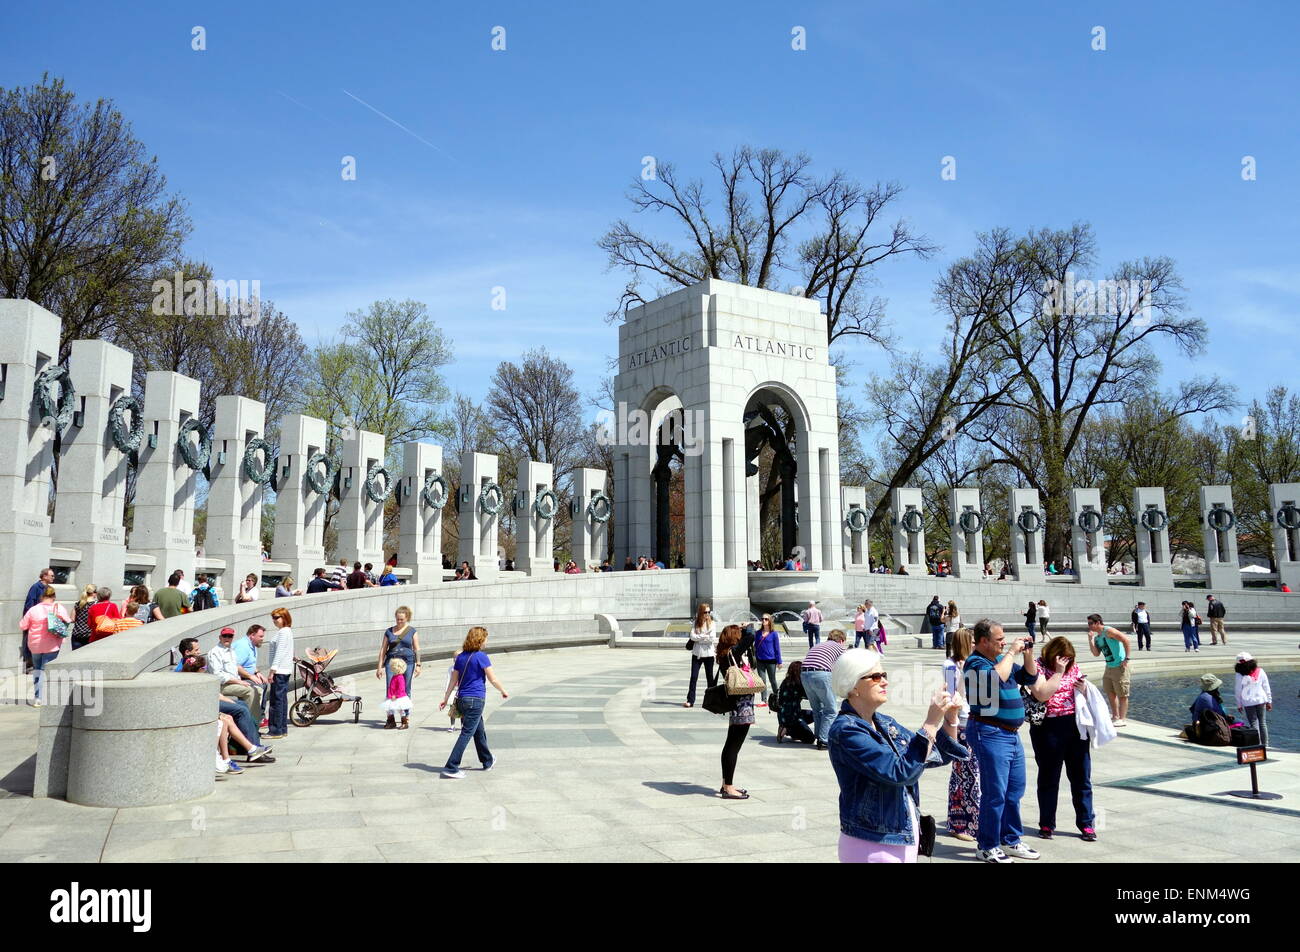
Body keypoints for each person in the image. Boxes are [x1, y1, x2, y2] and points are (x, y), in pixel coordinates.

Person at [829, 648, 966, 863]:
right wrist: (930, 722)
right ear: (853, 685)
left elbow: (934, 755)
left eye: (884, 675)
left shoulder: (884, 722)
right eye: (875, 677)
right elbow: (900, 772)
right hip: (871, 843)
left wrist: (950, 718)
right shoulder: (846, 731)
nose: (884, 681)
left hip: (900, 838)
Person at [961, 618, 1043, 863]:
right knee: (995, 793)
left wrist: (1028, 653)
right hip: (989, 731)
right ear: (984, 641)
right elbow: (993, 681)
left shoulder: (1000, 660)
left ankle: (1011, 840)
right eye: (999, 639)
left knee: (1014, 790)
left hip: (1010, 733)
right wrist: (1011, 652)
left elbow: (1029, 678)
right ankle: (987, 845)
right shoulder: (975, 662)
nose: (1004, 642)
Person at [1026, 636, 1096, 841]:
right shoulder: (1037, 666)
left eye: (1069, 658)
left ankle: (1086, 823)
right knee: (1049, 778)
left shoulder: (1072, 666)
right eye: (1062, 658)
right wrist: (1058, 672)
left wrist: (1084, 688)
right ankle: (1047, 824)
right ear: (1052, 655)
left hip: (1074, 727)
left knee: (1081, 777)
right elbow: (1042, 695)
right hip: (1047, 727)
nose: (1066, 661)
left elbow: (1080, 689)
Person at [440, 626, 508, 777]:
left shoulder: (461, 657)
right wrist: (503, 691)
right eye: (485, 638)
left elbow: (453, 680)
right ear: (480, 639)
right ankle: (451, 766)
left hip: (462, 700)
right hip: (475, 700)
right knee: (466, 733)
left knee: (479, 730)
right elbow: (493, 679)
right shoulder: (481, 656)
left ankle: (487, 760)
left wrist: (445, 698)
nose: (486, 642)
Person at [943, 627, 980, 842]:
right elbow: (951, 693)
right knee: (963, 773)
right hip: (962, 722)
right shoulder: (950, 665)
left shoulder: (975, 663)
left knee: (975, 774)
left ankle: (974, 821)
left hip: (977, 720)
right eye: (972, 641)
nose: (975, 644)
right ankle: (958, 824)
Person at [716, 623, 757, 800]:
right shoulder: (734, 652)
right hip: (742, 706)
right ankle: (729, 787)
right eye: (738, 633)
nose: (741, 634)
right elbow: (751, 636)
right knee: (733, 746)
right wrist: (747, 626)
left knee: (730, 745)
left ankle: (726, 784)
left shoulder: (725, 655)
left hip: (735, 705)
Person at [19, 586, 70, 705]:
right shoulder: (58, 608)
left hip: (35, 644)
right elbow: (67, 620)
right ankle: (47, 696)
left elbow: (23, 626)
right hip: (52, 644)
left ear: (42, 596)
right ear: (54, 596)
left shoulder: (33, 610)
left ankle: (38, 697)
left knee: (37, 670)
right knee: (47, 671)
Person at [801, 629, 848, 750]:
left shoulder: (818, 645)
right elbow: (848, 661)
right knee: (831, 709)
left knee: (817, 708)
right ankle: (824, 740)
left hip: (805, 674)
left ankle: (818, 736)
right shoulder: (838, 646)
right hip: (821, 674)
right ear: (841, 640)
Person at [376, 606, 421, 729]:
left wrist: (418, 664)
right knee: (390, 688)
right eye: (397, 619)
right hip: (391, 662)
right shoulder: (389, 631)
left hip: (408, 662)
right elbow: (383, 649)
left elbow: (417, 649)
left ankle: (405, 718)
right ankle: (390, 719)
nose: (399, 622)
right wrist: (379, 667)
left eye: (402, 619)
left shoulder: (412, 631)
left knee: (405, 689)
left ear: (407, 618)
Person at [207, 626, 262, 721]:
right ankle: (251, 723)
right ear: (220, 637)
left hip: (233, 682)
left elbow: (237, 667)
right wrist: (238, 682)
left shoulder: (231, 650)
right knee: (250, 691)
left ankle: (252, 721)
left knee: (259, 689)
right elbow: (218, 675)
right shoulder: (215, 652)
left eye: (230, 636)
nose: (227, 638)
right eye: (225, 636)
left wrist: (254, 674)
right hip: (221, 685)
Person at [1087, 613, 1132, 726]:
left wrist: (1127, 658)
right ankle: (1115, 716)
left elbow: (1126, 640)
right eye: (1088, 623)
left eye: (1091, 623)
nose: (1089, 626)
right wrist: (1091, 640)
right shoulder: (1098, 637)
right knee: (1110, 692)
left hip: (1119, 666)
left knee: (1122, 693)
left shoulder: (1109, 631)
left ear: (1098, 622)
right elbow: (1096, 653)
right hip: (1109, 667)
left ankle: (1122, 719)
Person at [265, 607, 295, 739]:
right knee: (281, 700)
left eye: (277, 617)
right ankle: (282, 729)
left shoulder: (283, 632)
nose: (274, 620)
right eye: (273, 618)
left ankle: (275, 730)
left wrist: (272, 671)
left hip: (280, 670)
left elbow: (279, 652)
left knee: (276, 701)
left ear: (284, 618)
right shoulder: (287, 631)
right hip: (284, 669)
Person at [233, 624, 270, 728]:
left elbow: (250, 664)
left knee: (264, 683)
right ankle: (255, 718)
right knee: (259, 687)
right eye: (261, 636)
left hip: (247, 675)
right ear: (252, 635)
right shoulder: (243, 646)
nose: (262, 639)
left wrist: (257, 672)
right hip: (238, 678)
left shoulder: (252, 644)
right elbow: (236, 666)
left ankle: (260, 718)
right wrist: (250, 676)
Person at [1234, 652, 1273, 746]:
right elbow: (1266, 686)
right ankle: (1265, 745)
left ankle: (1257, 744)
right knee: (1263, 723)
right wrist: (1269, 700)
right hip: (1261, 699)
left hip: (1248, 702)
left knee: (1253, 724)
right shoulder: (1260, 671)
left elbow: (1238, 690)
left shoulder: (1239, 675)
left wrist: (1239, 704)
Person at [684, 603, 717, 707]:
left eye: (709, 612)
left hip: (709, 654)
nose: (707, 614)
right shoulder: (695, 623)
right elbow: (692, 636)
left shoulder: (712, 623)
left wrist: (699, 638)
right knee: (693, 677)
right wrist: (703, 636)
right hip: (697, 654)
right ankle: (690, 700)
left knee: (710, 678)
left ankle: (711, 701)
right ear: (701, 612)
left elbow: (712, 638)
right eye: (705, 612)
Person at [21, 567, 56, 668]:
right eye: (51, 575)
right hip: (35, 621)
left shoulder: (49, 588)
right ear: (44, 576)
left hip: (46, 621)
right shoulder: (36, 587)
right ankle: (29, 665)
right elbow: (29, 604)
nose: (54, 577)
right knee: (31, 642)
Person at [776, 660, 816, 744]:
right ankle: (788, 729)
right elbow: (809, 696)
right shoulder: (798, 684)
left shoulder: (785, 682)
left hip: (782, 715)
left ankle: (788, 728)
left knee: (812, 714)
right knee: (810, 739)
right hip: (794, 717)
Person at [752, 614, 782, 707]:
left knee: (772, 680)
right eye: (762, 619)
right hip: (760, 660)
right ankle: (763, 700)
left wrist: (779, 661)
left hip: (771, 660)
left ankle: (777, 697)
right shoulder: (758, 633)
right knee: (762, 681)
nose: (764, 620)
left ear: (770, 621)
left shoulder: (774, 634)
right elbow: (755, 646)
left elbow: (777, 648)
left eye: (766, 619)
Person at [383, 657, 413, 726]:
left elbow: (401, 688)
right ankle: (391, 722)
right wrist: (390, 695)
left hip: (399, 697)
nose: (391, 668)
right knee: (389, 709)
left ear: (397, 668)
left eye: (392, 667)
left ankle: (404, 723)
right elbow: (391, 687)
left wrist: (396, 695)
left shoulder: (400, 677)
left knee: (400, 709)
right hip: (392, 696)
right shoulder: (394, 676)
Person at [71, 584, 97, 651]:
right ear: (94, 593)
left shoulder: (78, 604)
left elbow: (72, 619)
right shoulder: (95, 605)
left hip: (76, 634)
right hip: (89, 635)